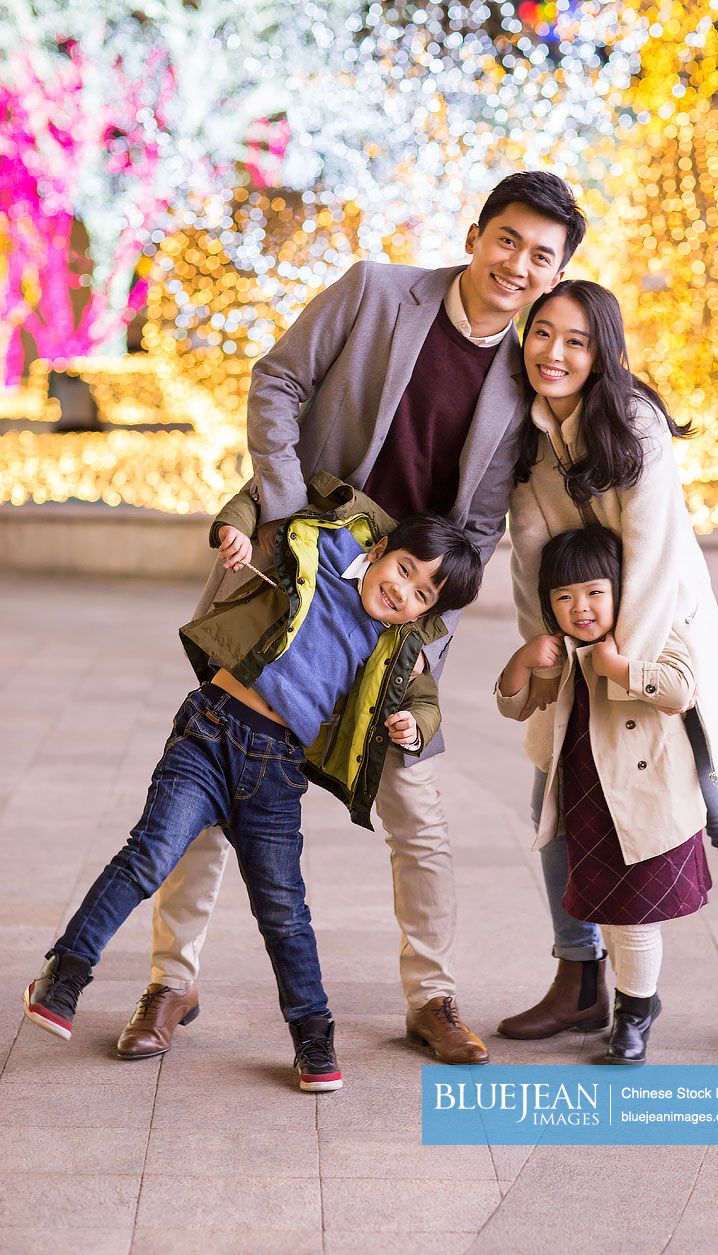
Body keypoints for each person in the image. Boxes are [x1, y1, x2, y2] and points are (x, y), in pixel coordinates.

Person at [115, 171, 588, 1067]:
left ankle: (434, 996)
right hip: (291, 601)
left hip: (393, 622)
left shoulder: (522, 381)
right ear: (476, 231)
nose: (517, 264)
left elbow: (480, 531)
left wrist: (421, 662)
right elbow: (279, 382)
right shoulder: (375, 290)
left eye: (540, 256)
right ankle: (172, 980)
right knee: (213, 794)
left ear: (554, 272)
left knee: (419, 812)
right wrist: (292, 521)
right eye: (507, 240)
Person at [23, 474, 483, 1092]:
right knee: (150, 854)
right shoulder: (325, 547)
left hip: (276, 769)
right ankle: (67, 972)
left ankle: (313, 1036)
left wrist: (413, 723)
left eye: (423, 595)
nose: (402, 591)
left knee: (284, 910)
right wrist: (234, 530)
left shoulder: (402, 646)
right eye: (403, 570)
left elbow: (428, 703)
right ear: (379, 552)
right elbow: (261, 497)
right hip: (209, 732)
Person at [497, 279, 718, 1066]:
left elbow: (653, 561)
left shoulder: (632, 423)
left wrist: (624, 672)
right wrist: (545, 651)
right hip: (580, 645)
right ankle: (579, 979)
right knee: (551, 809)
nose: (554, 353)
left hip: (662, 646)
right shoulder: (526, 435)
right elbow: (531, 559)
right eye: (542, 334)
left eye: (575, 340)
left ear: (602, 350)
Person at [497, 526, 711, 1063]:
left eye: (594, 592)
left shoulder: (653, 633)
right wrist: (523, 661)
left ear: (622, 589)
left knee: (634, 914)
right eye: (564, 597)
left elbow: (681, 690)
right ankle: (628, 1000)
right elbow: (517, 706)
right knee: (608, 910)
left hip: (644, 804)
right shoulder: (565, 651)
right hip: (589, 801)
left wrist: (618, 669)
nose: (581, 607)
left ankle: (635, 1014)